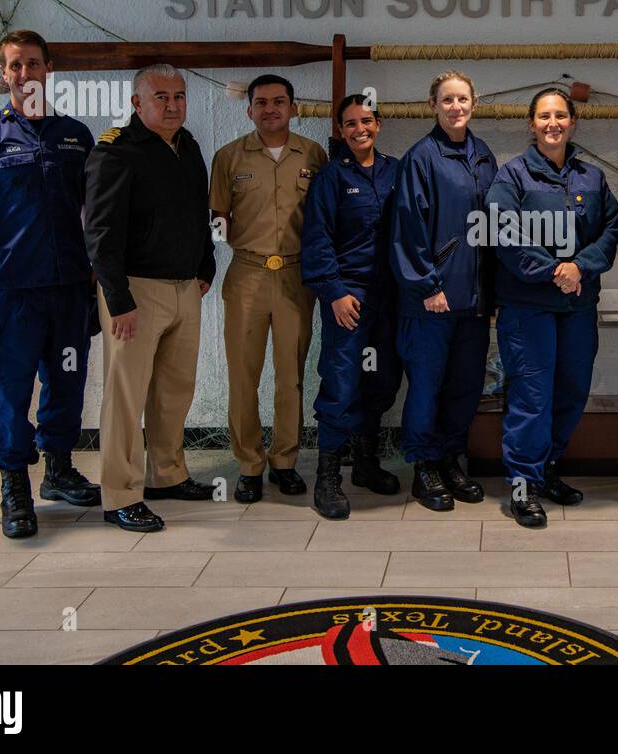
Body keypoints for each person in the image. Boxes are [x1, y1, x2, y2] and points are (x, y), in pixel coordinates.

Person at [0, 29, 101, 538]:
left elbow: (93, 210)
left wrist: (100, 269)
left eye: (32, 63)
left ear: (47, 68)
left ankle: (58, 470)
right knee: (11, 390)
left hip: (70, 288)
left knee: (67, 382)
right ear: (3, 73)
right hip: (11, 291)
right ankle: (14, 484)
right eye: (14, 65)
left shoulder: (75, 135)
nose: (24, 74)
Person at [85, 64, 217, 532]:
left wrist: (206, 265)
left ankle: (167, 474)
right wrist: (117, 298)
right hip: (135, 292)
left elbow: (197, 214)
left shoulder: (189, 146)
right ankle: (119, 494)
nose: (173, 104)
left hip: (185, 288)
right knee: (126, 396)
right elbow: (99, 233)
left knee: (173, 391)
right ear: (137, 103)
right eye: (161, 97)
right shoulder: (116, 152)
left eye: (179, 96)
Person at [486, 88, 618, 527]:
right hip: (528, 308)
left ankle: (546, 470)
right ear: (531, 123)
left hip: (578, 308)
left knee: (571, 391)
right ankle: (522, 487)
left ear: (572, 122)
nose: (553, 123)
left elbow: (611, 230)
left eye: (561, 115)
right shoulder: (513, 177)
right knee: (532, 397)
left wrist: (578, 267)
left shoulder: (592, 178)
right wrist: (552, 272)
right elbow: (503, 232)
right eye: (544, 116)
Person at [209, 74, 326, 505]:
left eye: (280, 101)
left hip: (297, 276)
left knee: (290, 376)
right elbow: (219, 215)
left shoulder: (313, 155)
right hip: (248, 275)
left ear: (293, 108)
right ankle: (249, 465)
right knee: (244, 376)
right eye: (262, 103)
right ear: (250, 110)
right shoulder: (228, 157)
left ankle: (284, 461)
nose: (271, 109)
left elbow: (324, 216)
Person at [390, 71, 497, 511]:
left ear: (475, 103)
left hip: (474, 303)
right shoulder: (420, 158)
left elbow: (495, 228)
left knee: (465, 387)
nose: (456, 107)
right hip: (432, 301)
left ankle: (452, 458)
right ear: (432, 104)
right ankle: (424, 467)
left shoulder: (484, 156)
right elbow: (408, 230)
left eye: (463, 99)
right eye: (447, 100)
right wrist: (428, 286)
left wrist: (493, 294)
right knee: (427, 387)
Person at [300, 95, 403, 519]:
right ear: (340, 131)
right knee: (342, 381)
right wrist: (334, 291)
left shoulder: (397, 171)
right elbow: (317, 239)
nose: (359, 129)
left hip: (390, 297)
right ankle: (327, 478)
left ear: (378, 124)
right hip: (349, 296)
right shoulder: (331, 178)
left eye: (366, 120)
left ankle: (365, 464)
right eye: (349, 124)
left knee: (380, 380)